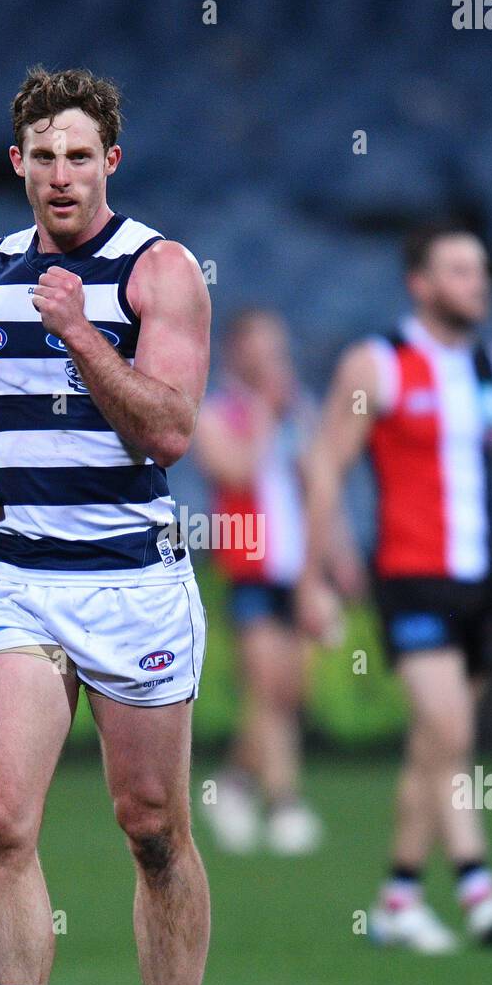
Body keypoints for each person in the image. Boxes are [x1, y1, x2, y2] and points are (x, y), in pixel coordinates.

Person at [0, 66, 211, 985]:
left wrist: (81, 332)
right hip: (21, 583)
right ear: (17, 165)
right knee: (0, 818)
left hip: (131, 586)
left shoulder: (160, 269)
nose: (60, 175)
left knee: (150, 829)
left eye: (79, 157)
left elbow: (169, 431)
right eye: (41, 157)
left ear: (111, 164)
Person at [298, 223, 492, 952]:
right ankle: (477, 881)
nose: (479, 283)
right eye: (460, 271)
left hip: (480, 584)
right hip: (410, 579)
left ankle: (399, 895)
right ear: (421, 284)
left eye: (480, 270)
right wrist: (317, 573)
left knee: (437, 751)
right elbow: (324, 465)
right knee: (451, 732)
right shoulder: (377, 363)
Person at [194, 309, 357, 854]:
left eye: (278, 349)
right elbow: (234, 471)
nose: (274, 361)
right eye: (263, 350)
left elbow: (321, 485)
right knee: (266, 686)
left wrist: (341, 552)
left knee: (290, 692)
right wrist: (265, 412)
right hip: (250, 566)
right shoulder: (219, 412)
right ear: (240, 354)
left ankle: (233, 785)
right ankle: (286, 804)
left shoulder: (299, 410)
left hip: (300, 571)